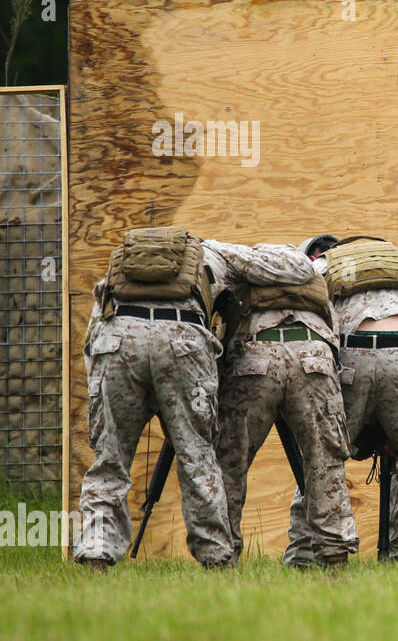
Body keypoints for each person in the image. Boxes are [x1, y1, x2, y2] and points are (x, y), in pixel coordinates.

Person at [74, 227, 315, 569]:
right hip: (182, 342)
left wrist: (99, 386)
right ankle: (217, 558)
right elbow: (297, 270)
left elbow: (96, 323)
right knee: (197, 457)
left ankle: (96, 552)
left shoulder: (123, 260)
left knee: (109, 460)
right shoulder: (212, 251)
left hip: (115, 342)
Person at [284, 235, 398, 563]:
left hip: (350, 358)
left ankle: (310, 554)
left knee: (322, 459)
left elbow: (312, 332)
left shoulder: (321, 267)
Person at [213, 237, 358, 567]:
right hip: (314, 356)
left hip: (255, 357)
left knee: (230, 460)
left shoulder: (243, 273)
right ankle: (333, 553)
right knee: (324, 458)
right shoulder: (316, 277)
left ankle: (221, 555)